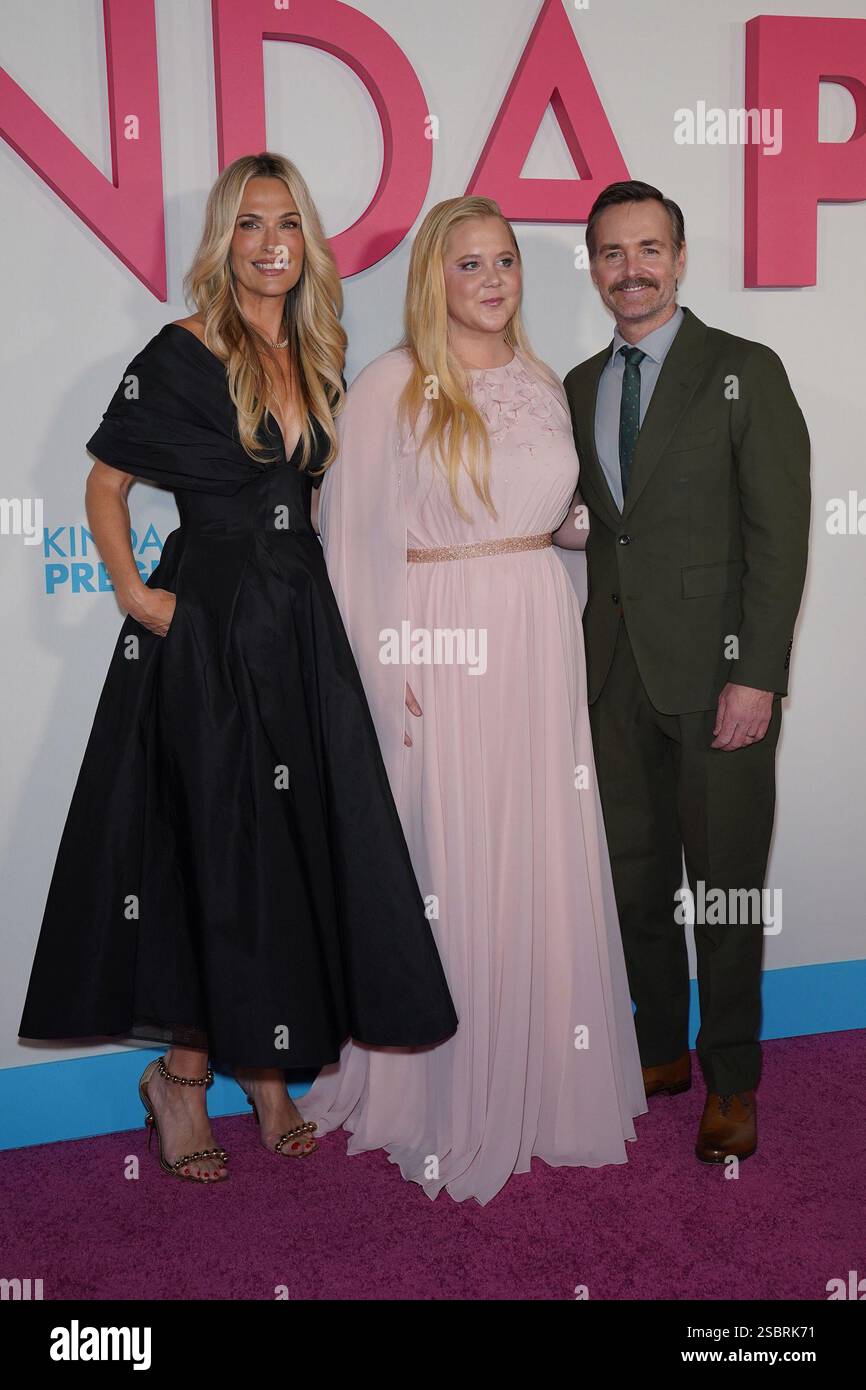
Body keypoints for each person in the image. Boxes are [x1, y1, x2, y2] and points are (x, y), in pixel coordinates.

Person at [19, 152, 457, 1184]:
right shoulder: (179, 351)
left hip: (294, 620)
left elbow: (311, 512)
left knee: (291, 845)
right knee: (209, 844)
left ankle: (266, 1061)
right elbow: (105, 486)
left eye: (289, 225)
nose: (271, 244)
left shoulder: (315, 353)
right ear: (225, 238)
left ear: (306, 243)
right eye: (252, 224)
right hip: (206, 623)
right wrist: (135, 594)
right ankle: (181, 1074)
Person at [295, 196, 646, 1206]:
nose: (492, 278)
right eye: (469, 264)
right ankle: (435, 1087)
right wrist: (381, 667)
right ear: (431, 281)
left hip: (535, 631)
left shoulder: (541, 380)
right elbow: (348, 546)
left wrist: (578, 528)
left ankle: (543, 1080)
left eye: (503, 261)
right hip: (437, 643)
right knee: (448, 852)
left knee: (532, 848)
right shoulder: (392, 385)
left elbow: (545, 513)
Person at [563, 180, 810, 1163]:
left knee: (725, 889)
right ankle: (660, 1048)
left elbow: (777, 537)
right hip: (612, 677)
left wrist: (756, 675)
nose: (630, 268)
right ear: (592, 268)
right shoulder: (578, 385)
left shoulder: (742, 369)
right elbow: (599, 526)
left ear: (677, 258)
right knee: (633, 882)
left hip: (718, 682)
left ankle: (733, 1079)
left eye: (647, 248)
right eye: (611, 253)